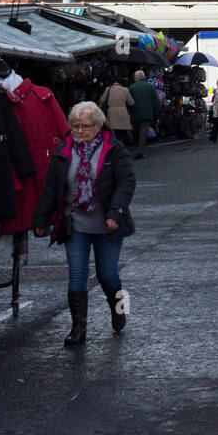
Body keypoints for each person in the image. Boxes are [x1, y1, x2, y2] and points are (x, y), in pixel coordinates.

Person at [32, 101, 136, 347]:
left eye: (86, 126)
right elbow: (51, 190)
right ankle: (78, 329)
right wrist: (40, 219)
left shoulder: (114, 149)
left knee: (107, 275)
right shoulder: (64, 151)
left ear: (99, 126)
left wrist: (116, 213)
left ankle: (120, 307)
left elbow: (126, 182)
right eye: (75, 126)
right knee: (76, 274)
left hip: (107, 224)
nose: (80, 131)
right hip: (74, 223)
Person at [128, 70, 161, 159]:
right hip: (147, 114)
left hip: (135, 114)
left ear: (136, 78)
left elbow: (128, 102)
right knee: (143, 133)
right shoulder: (150, 87)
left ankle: (138, 147)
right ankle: (140, 151)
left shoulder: (131, 88)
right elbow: (156, 102)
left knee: (136, 132)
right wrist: (158, 114)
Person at [99, 78, 135, 148]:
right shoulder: (125, 89)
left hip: (112, 114)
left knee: (115, 131)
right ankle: (122, 146)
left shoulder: (108, 89)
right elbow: (131, 102)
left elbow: (101, 100)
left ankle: (117, 146)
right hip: (122, 113)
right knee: (122, 131)